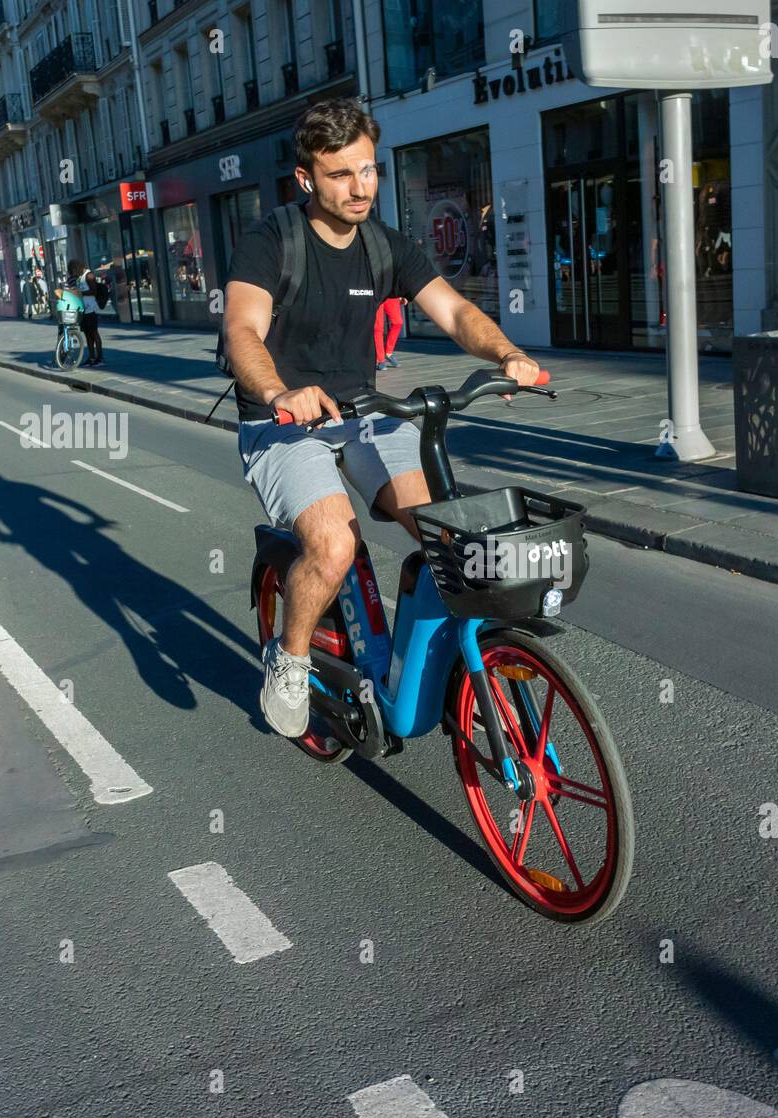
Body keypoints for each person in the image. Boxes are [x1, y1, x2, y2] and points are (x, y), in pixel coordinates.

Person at [223, 99, 542, 738]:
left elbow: (454, 313)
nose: (360, 187)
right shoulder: (271, 242)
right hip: (282, 421)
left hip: (366, 413)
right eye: (341, 175)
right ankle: (287, 660)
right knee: (335, 543)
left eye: (369, 171)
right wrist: (282, 391)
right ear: (307, 180)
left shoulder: (383, 244)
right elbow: (242, 331)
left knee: (445, 533)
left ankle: (429, 660)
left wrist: (507, 353)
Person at [66, 258, 104, 366]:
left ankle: (100, 357)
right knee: (87, 334)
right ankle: (91, 357)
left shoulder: (89, 275)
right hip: (83, 309)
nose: (73, 273)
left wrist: (80, 293)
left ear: (77, 267)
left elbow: (94, 291)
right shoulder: (79, 277)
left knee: (94, 332)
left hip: (91, 308)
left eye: (73, 270)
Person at [373, 295, 405, 370]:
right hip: (377, 294)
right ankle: (380, 359)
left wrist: (403, 294)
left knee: (398, 322)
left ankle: (388, 352)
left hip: (391, 294)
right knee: (378, 328)